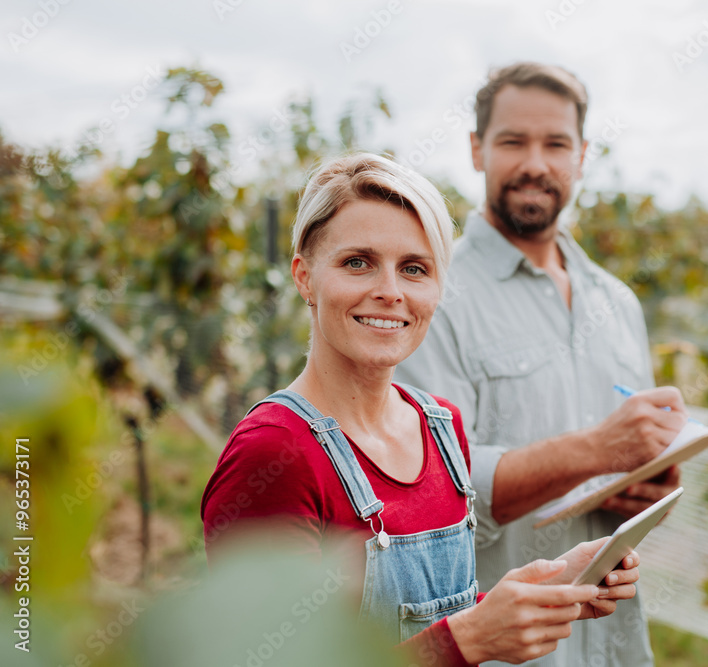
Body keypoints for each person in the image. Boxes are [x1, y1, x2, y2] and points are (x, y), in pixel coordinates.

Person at [201, 153, 643, 667]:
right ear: (304, 277)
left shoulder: (441, 427)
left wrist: (549, 587)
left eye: (414, 269)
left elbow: (431, 620)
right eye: (357, 262)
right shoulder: (274, 453)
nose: (389, 292)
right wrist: (471, 639)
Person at [395, 63, 688, 666]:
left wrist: (645, 483)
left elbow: (623, 461)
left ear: (582, 156)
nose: (535, 162)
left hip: (611, 644)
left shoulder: (616, 301)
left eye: (555, 144)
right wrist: (598, 449)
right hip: (507, 651)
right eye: (512, 142)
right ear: (477, 151)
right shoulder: (431, 295)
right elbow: (438, 496)